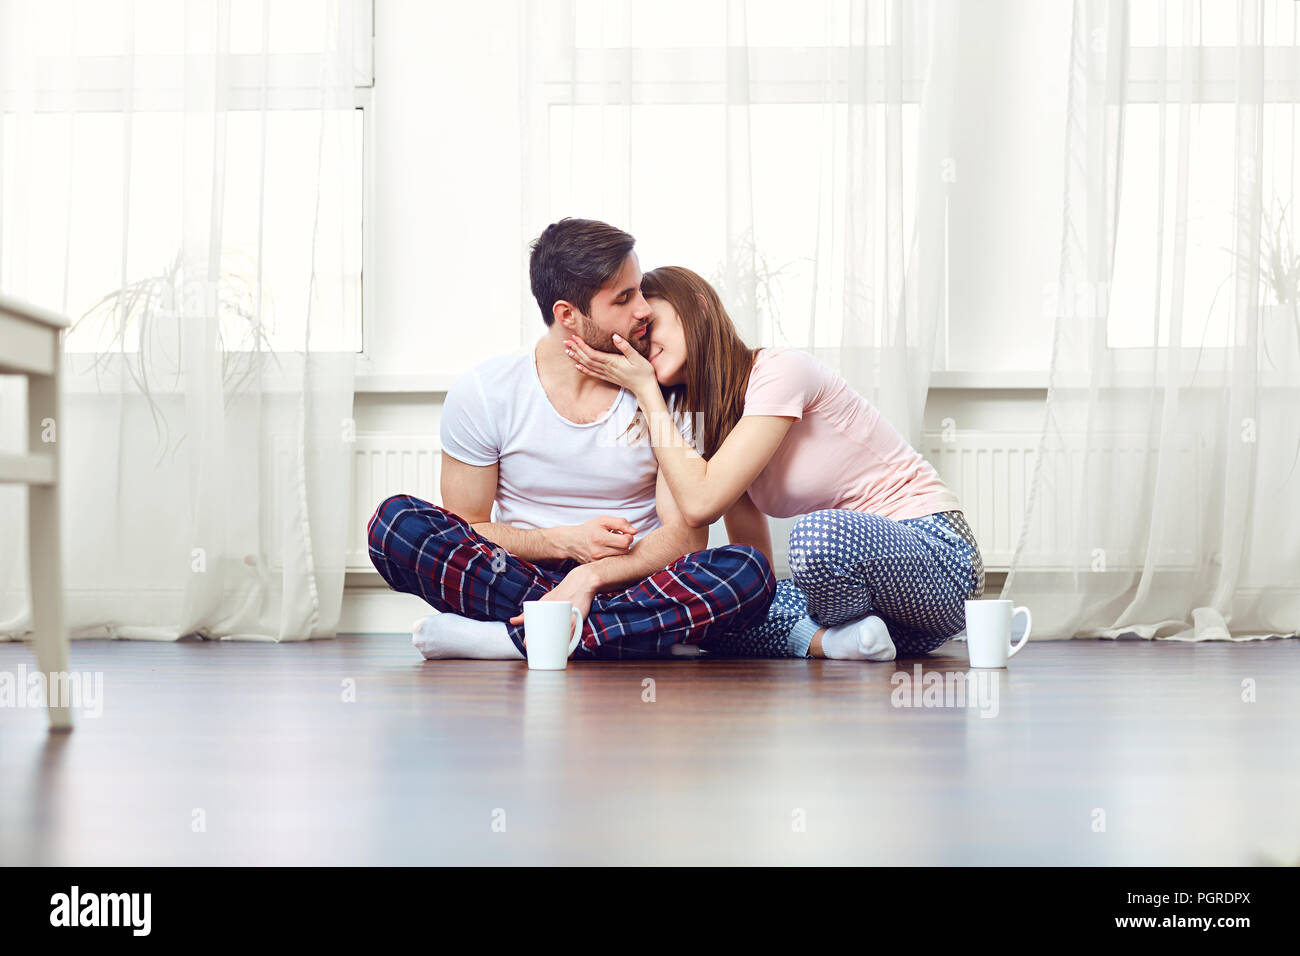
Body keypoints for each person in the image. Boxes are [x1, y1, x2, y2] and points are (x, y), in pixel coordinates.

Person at [367, 221, 775, 660]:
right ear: (568, 315)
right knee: (395, 524)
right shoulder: (487, 392)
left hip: (634, 579)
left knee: (748, 572)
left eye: (639, 290)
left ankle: (510, 639)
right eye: (624, 298)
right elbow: (471, 529)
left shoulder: (666, 390)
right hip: (517, 575)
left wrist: (591, 577)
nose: (645, 310)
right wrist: (563, 542)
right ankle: (616, 633)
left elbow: (685, 540)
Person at [565, 265, 986, 661]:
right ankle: (844, 641)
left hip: (938, 560)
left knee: (815, 538)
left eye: (651, 325)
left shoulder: (782, 370)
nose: (644, 346)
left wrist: (645, 391)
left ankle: (818, 635)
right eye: (637, 343)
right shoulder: (715, 429)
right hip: (893, 619)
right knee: (726, 609)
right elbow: (753, 565)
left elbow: (700, 503)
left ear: (699, 304)